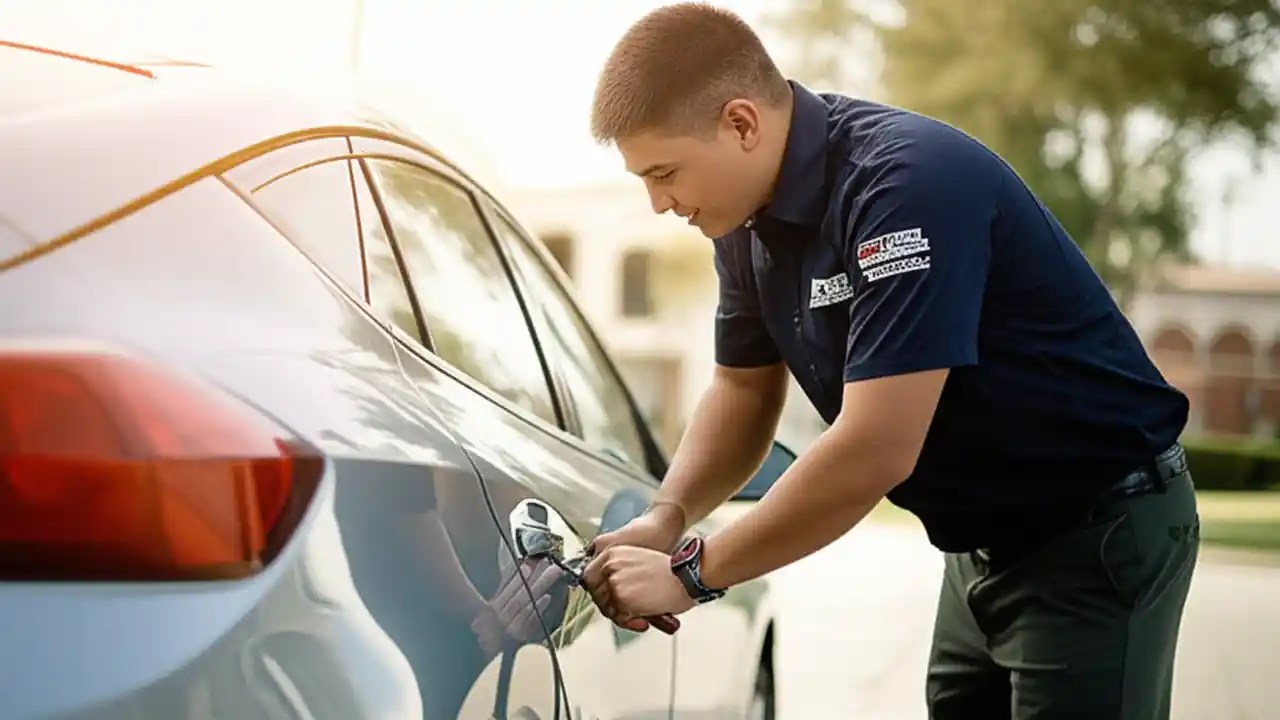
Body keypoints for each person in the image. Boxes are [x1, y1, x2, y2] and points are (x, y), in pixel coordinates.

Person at [578, 3, 1200, 718]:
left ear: (742, 124)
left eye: (664, 173)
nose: (658, 203)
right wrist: (668, 515)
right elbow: (742, 392)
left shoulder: (904, 186)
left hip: (1097, 528)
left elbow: (874, 448)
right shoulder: (742, 221)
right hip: (981, 546)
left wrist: (694, 574)